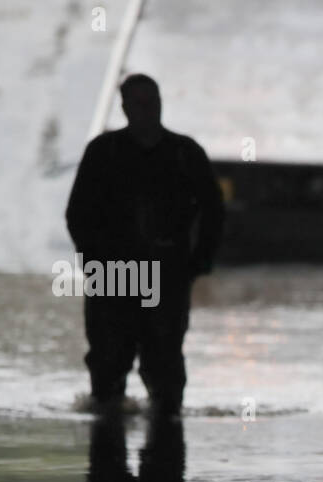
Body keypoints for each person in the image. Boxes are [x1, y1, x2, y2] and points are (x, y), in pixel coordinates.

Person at [66, 73, 224, 416]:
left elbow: (214, 211)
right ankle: (110, 445)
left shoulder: (185, 153)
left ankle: (163, 443)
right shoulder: (103, 153)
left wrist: (198, 263)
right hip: (114, 274)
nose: (147, 110)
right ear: (124, 107)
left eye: (151, 102)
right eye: (139, 104)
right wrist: (94, 263)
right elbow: (78, 213)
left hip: (167, 273)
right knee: (108, 368)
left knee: (165, 367)